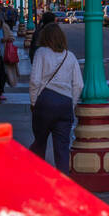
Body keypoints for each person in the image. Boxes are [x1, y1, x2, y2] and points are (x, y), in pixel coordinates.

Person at [29, 22, 83, 172]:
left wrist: (33, 101)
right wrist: (70, 104)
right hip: (64, 103)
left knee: (40, 142)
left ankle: (37, 175)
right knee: (62, 149)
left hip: (45, 102)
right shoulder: (70, 56)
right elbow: (78, 84)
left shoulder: (41, 53)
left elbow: (35, 81)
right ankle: (63, 181)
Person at [0, 13, 19, 90]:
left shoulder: (4, 27)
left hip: (4, 53)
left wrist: (5, 39)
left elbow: (12, 37)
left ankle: (1, 90)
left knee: (3, 73)